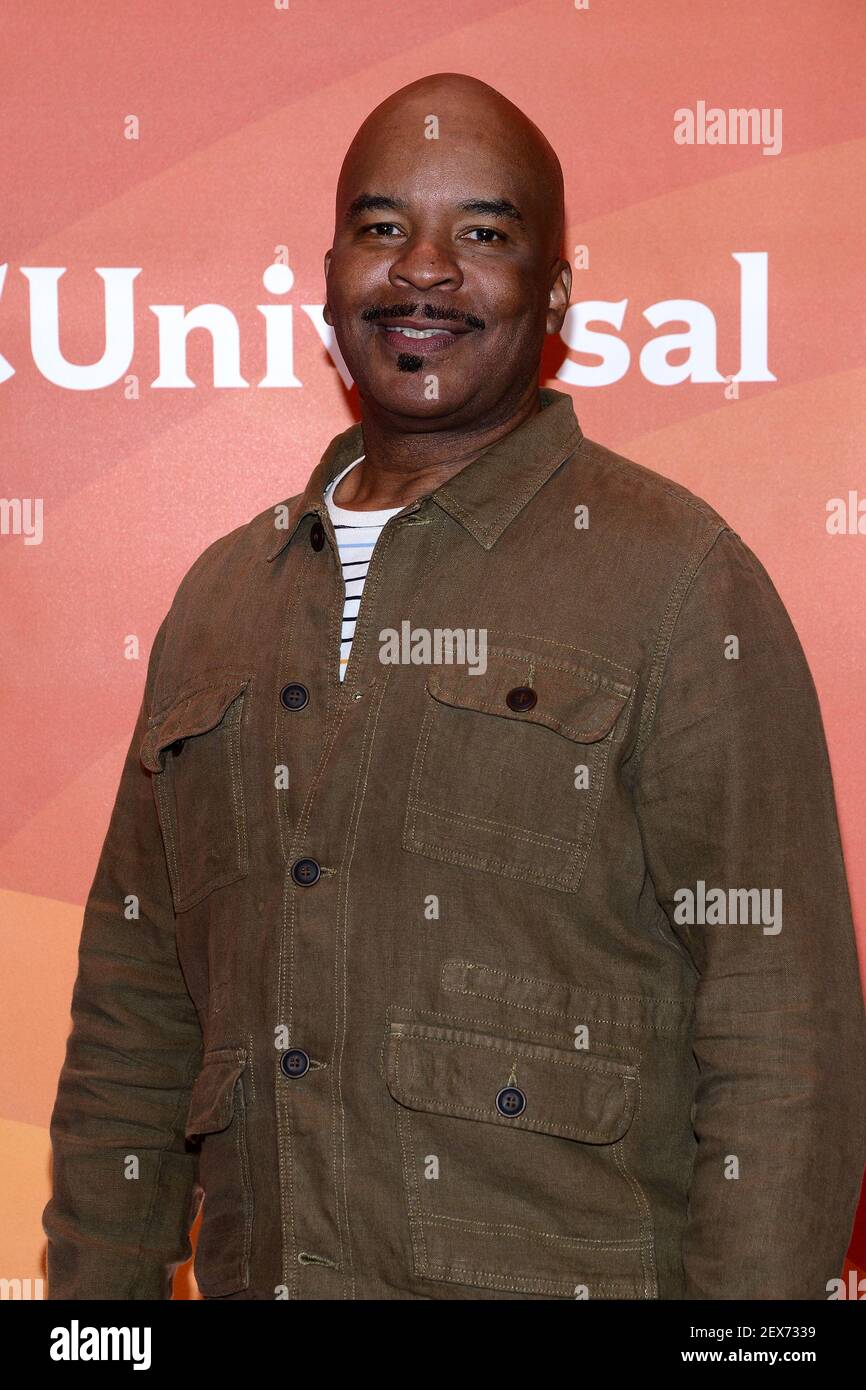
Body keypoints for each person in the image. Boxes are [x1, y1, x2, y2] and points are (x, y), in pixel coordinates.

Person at [43, 72, 866, 1301]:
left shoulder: (673, 582)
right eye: (383, 229)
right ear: (327, 273)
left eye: (482, 233)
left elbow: (779, 1023)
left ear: (557, 290)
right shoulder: (219, 603)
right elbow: (133, 1014)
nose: (422, 271)